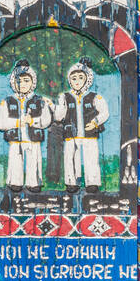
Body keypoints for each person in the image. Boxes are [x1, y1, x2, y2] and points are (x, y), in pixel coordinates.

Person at [53, 58, 110, 194]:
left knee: (91, 158)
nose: (77, 81)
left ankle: (93, 182)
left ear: (87, 79)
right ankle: (71, 183)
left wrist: (95, 122)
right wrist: (60, 105)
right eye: (73, 78)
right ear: (70, 80)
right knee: (70, 158)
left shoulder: (94, 97)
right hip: (71, 135)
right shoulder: (65, 97)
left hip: (89, 134)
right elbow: (58, 116)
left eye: (80, 77)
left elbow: (104, 112)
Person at [0, 59, 51, 193]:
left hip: (33, 137)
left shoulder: (39, 100)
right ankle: (15, 182)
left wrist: (32, 121)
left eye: (26, 80)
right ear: (13, 82)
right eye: (18, 81)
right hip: (16, 137)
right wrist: (17, 122)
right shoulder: (8, 101)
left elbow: (46, 120)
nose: (23, 84)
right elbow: (0, 122)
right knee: (15, 160)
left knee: (34, 160)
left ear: (33, 82)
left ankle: (34, 183)